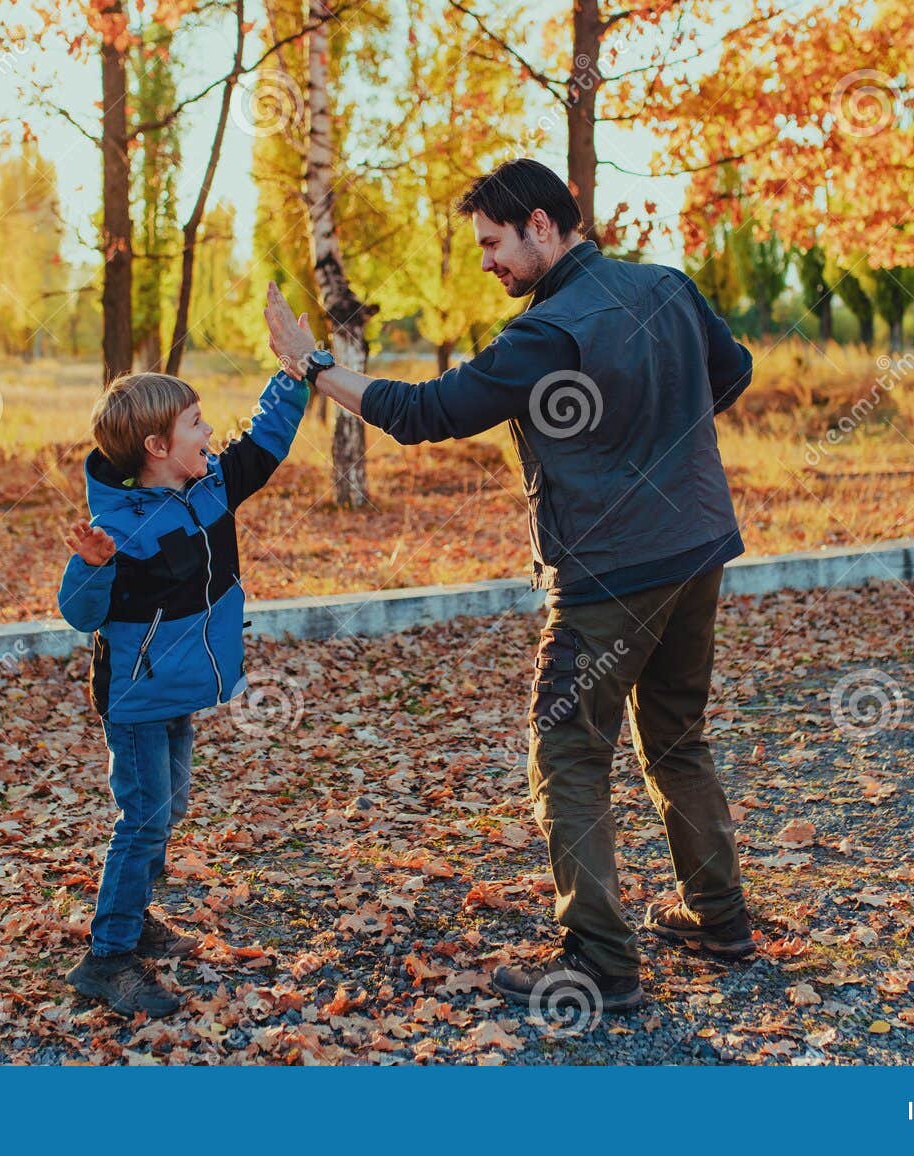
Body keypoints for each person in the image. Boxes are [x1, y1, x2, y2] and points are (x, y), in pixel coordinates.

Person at [262, 158, 755, 1014]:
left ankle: (603, 962)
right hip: (698, 549)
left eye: (493, 243)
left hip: (611, 572)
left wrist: (312, 366)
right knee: (676, 734)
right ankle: (720, 919)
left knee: (566, 745)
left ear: (540, 224)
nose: (487, 262)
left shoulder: (544, 334)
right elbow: (734, 370)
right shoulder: (667, 285)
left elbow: (422, 414)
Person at [55, 368, 309, 1016]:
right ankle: (108, 957)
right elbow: (81, 615)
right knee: (142, 820)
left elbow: (266, 442)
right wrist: (92, 566)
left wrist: (296, 374)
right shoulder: (118, 529)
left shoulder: (211, 486)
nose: (211, 431)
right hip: (137, 701)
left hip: (176, 696)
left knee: (167, 809)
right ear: (157, 448)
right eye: (196, 423)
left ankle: (133, 914)